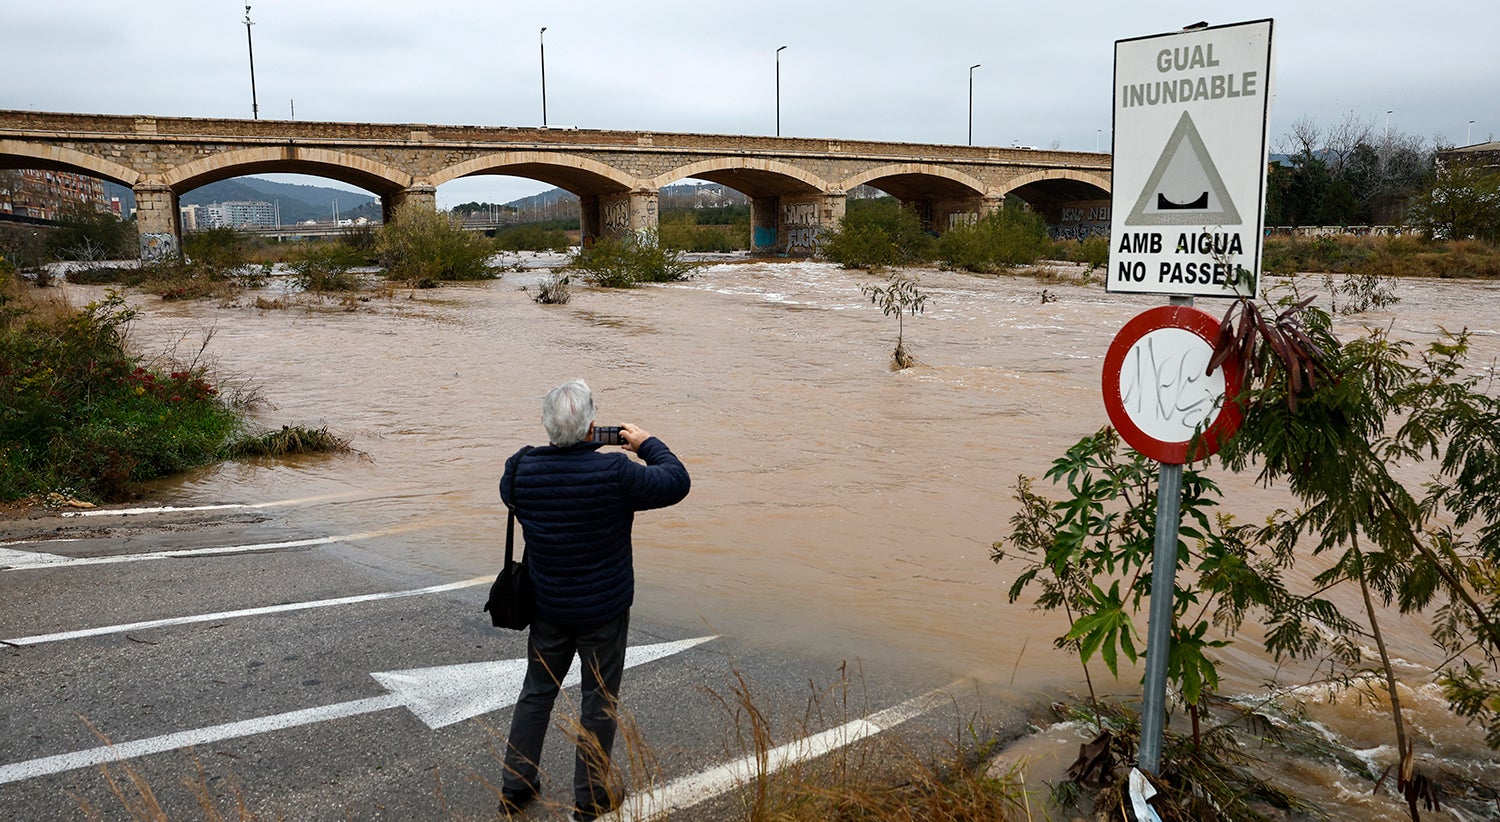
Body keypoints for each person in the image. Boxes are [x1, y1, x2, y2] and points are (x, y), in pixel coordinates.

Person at [497, 379, 690, 821]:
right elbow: (677, 481)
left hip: (548, 607)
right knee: (598, 702)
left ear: (548, 428)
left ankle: (516, 786)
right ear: (591, 430)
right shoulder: (615, 473)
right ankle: (590, 797)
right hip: (604, 612)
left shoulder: (520, 469)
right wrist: (646, 444)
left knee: (536, 693)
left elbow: (511, 494)